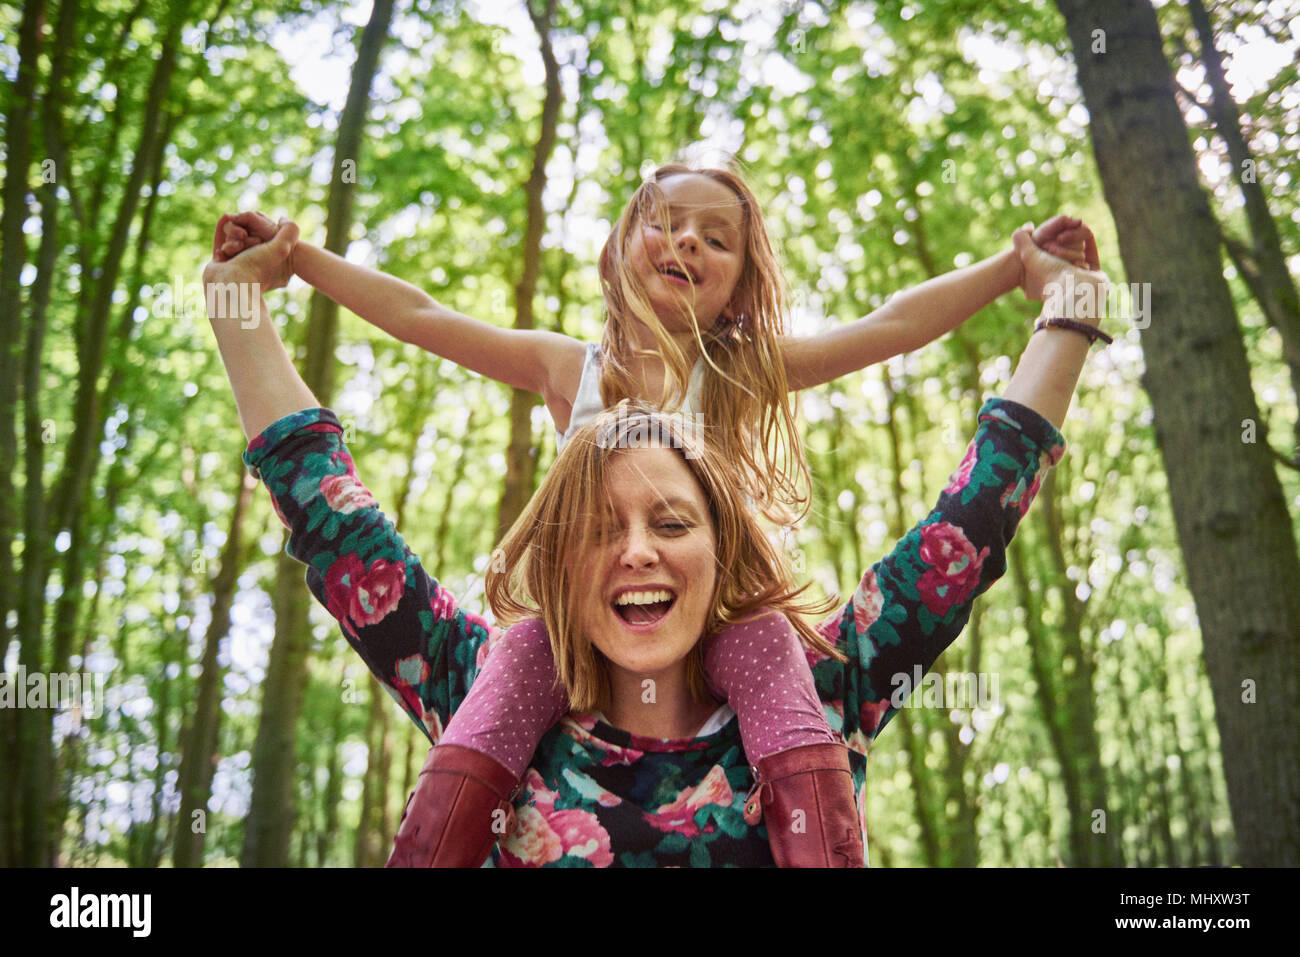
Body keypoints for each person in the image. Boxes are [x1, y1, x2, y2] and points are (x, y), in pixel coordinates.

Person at [212, 158, 1094, 867]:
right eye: (665, 221)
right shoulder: (569, 370)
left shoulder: (748, 374)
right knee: (521, 650)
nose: (687, 242)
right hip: (555, 635)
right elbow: (419, 317)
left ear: (741, 289)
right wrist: (292, 262)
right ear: (618, 249)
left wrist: (1024, 272)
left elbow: (895, 328)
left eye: (717, 238)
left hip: (742, 627)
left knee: (768, 646)